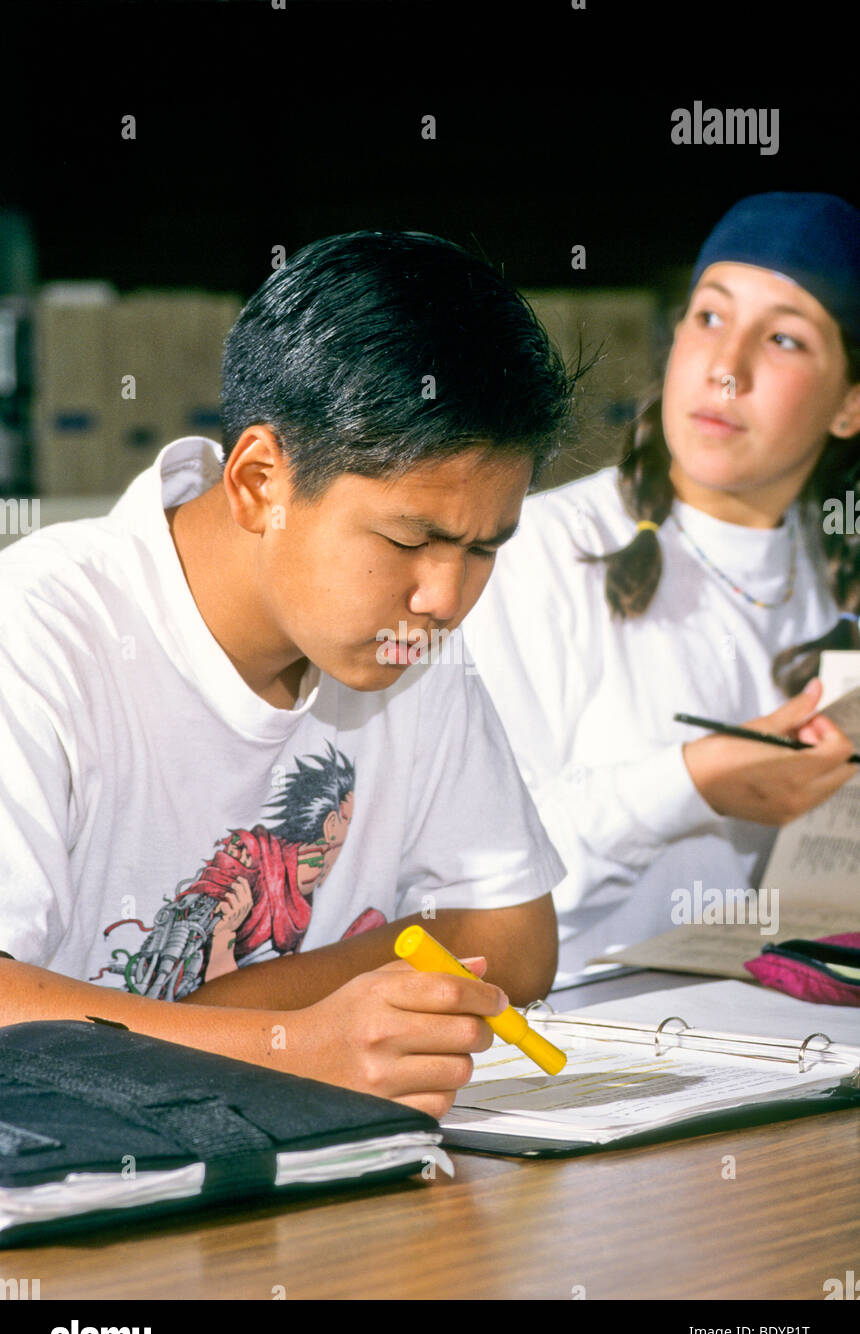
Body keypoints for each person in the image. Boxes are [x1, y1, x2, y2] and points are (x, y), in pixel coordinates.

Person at [0, 229, 580, 1118]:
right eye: (412, 539)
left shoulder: (411, 644)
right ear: (261, 479)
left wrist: (214, 1024)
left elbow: (513, 934)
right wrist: (295, 1043)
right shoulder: (39, 632)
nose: (445, 596)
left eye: (484, 549)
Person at [462, 192, 860, 969]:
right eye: (710, 317)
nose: (726, 369)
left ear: (850, 405)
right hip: (579, 1045)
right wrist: (686, 785)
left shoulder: (836, 578)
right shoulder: (539, 550)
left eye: (782, 338)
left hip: (797, 1045)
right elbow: (470, 882)